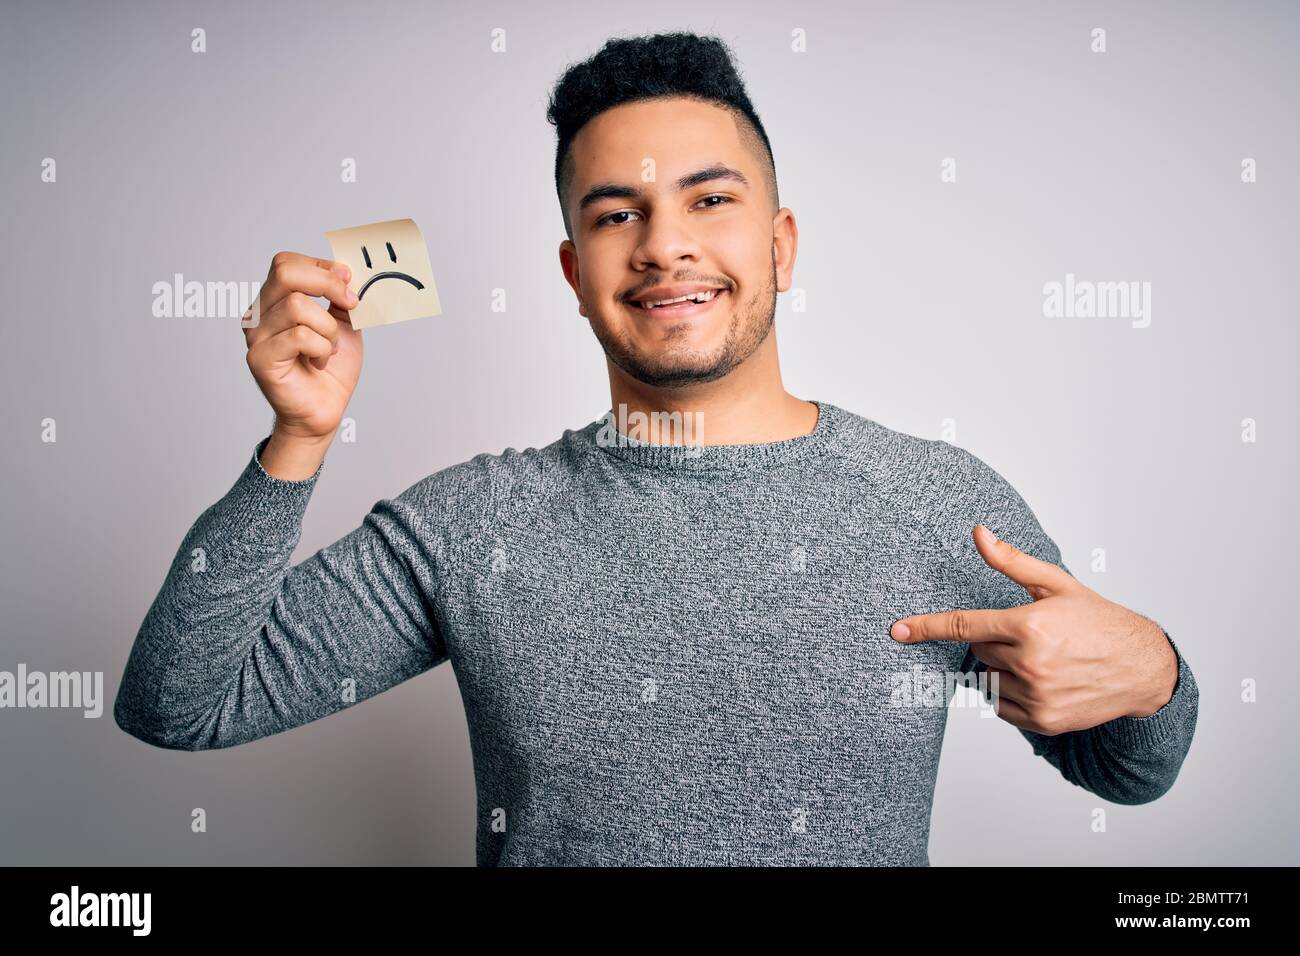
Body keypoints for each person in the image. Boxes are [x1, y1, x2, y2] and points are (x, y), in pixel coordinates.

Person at [114, 31, 1198, 866]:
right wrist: (297, 439)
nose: (665, 243)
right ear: (573, 272)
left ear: (779, 245)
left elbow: (1128, 767)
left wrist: (1155, 671)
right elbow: (181, 703)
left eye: (709, 199)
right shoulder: (469, 525)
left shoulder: (938, 501)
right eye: (616, 214)